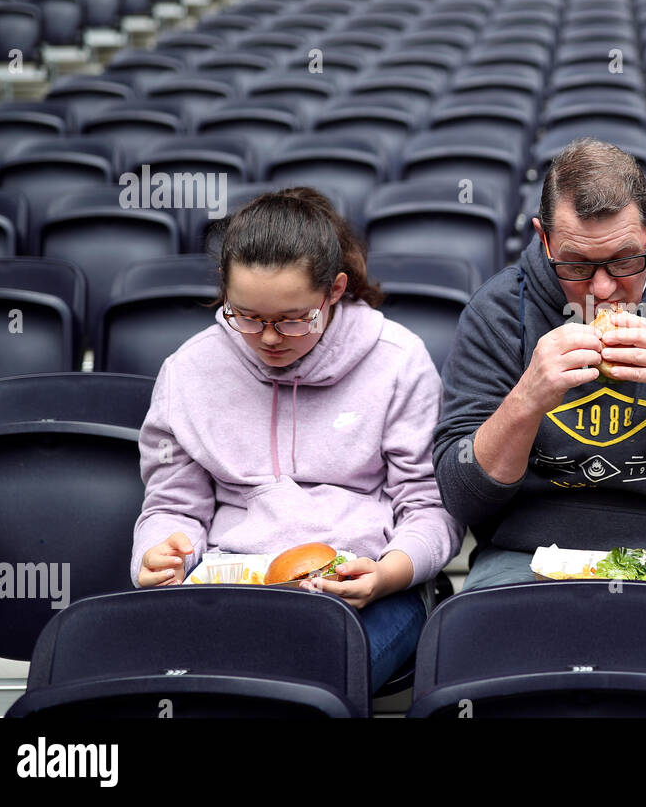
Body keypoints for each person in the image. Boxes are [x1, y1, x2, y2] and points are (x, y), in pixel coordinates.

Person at [132, 187, 463, 692]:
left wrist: (390, 573)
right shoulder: (189, 372)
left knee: (303, 680)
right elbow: (173, 506)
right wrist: (159, 553)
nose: (268, 338)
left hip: (366, 588)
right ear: (224, 290)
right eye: (246, 316)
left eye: (292, 319)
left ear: (334, 291)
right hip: (233, 585)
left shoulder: (397, 361)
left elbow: (429, 506)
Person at [433, 138, 646, 598]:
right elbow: (461, 496)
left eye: (624, 260)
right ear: (543, 238)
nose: (601, 289)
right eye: (576, 265)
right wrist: (526, 400)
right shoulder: (496, 313)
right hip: (521, 555)